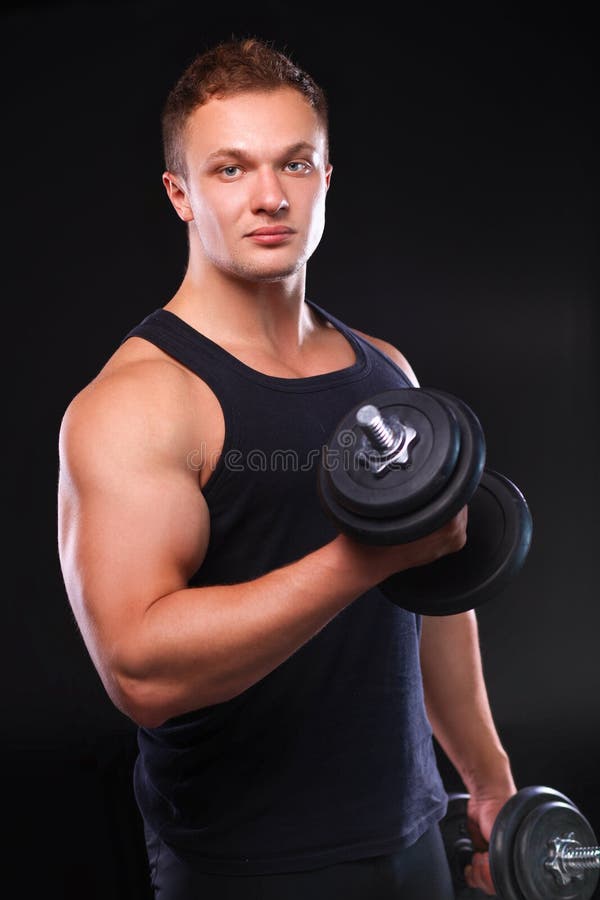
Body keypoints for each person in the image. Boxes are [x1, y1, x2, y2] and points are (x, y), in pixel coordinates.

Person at [58, 37, 517, 899]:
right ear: (180, 193)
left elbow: (436, 599)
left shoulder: (387, 372)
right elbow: (140, 670)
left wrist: (488, 781)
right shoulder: (143, 401)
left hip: (414, 834)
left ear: (326, 179)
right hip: (249, 866)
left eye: (294, 164)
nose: (269, 196)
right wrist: (366, 558)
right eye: (230, 169)